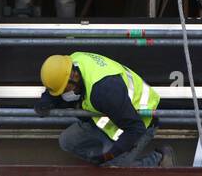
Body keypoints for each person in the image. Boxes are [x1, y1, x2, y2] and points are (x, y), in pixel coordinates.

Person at [37, 52, 169, 168]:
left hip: (142, 119)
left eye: (65, 90)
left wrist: (109, 156)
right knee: (67, 141)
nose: (64, 95)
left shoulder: (104, 91)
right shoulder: (71, 63)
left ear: (74, 77)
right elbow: (59, 83)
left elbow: (135, 129)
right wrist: (46, 100)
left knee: (115, 168)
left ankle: (159, 159)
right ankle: (105, 163)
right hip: (108, 118)